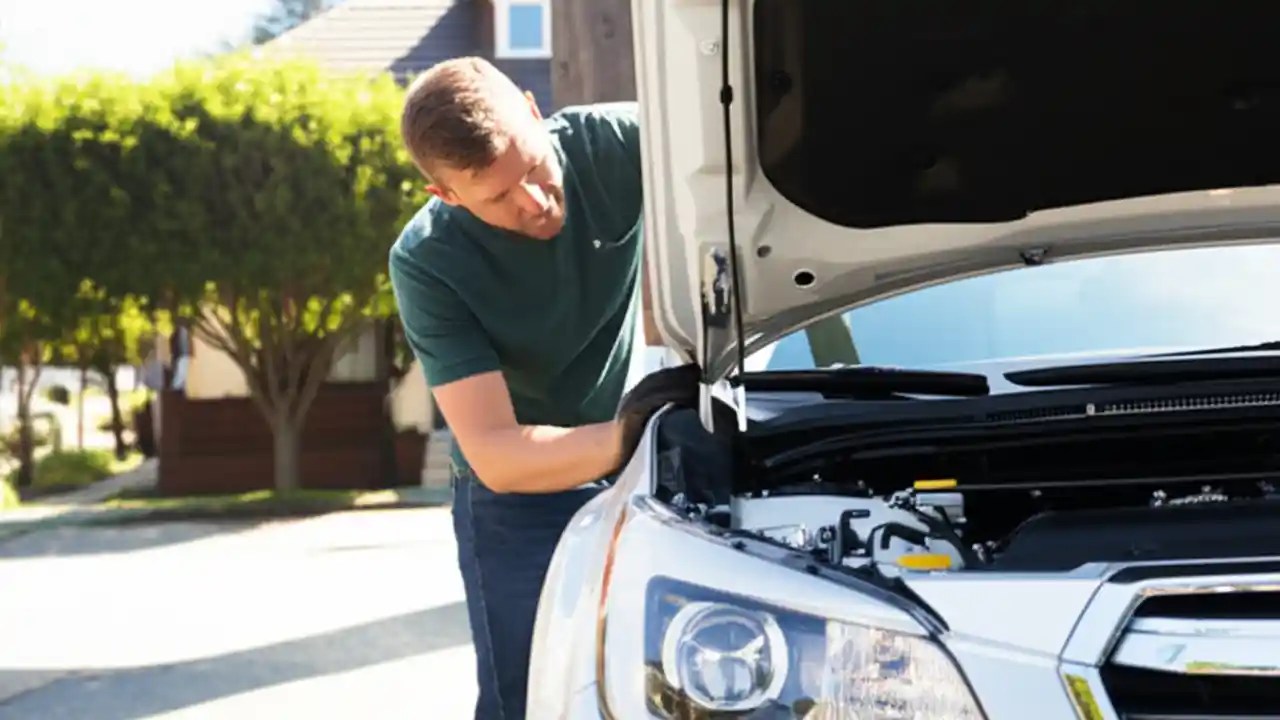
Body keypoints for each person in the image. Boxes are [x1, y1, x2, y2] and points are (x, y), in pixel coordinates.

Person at [388, 57, 694, 719]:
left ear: (534, 110)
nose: (535, 201)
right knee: (526, 697)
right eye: (497, 196)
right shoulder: (428, 262)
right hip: (515, 498)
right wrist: (626, 434)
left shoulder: (618, 144)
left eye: (533, 167)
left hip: (632, 460)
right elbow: (497, 452)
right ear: (447, 195)